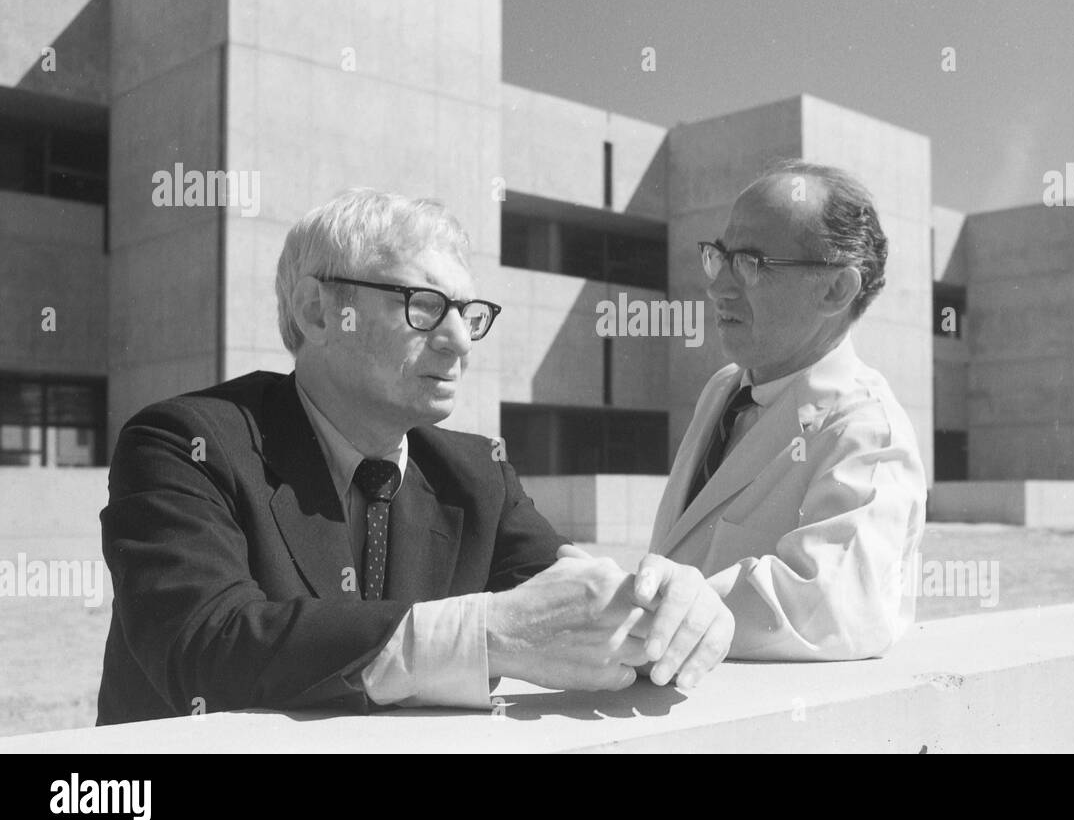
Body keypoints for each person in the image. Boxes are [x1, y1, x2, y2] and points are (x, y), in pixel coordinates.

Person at [98, 188, 732, 725]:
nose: (460, 340)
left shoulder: (478, 473)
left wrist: (667, 605)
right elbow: (207, 647)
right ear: (318, 312)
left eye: (468, 312)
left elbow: (569, 602)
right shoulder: (186, 445)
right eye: (424, 306)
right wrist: (484, 634)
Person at [649, 160, 927, 661]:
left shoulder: (867, 433)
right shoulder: (724, 390)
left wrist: (643, 612)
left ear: (836, 289)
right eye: (721, 257)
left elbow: (831, 606)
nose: (719, 288)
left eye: (751, 264)